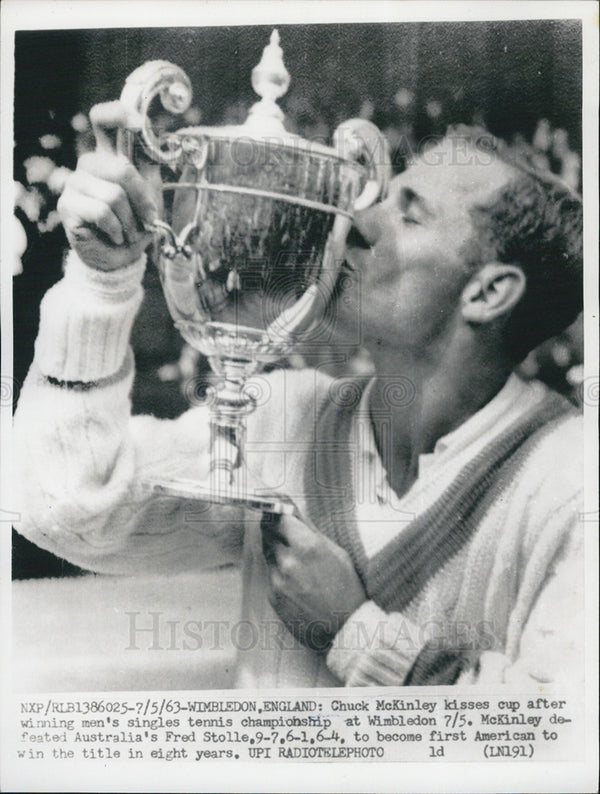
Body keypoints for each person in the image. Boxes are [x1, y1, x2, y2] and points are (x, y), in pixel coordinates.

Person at [13, 105, 584, 688]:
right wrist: (101, 280)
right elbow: (65, 508)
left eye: (408, 217)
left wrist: (353, 632)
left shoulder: (572, 483)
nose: (354, 220)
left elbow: (567, 741)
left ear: (488, 293)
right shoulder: (284, 416)